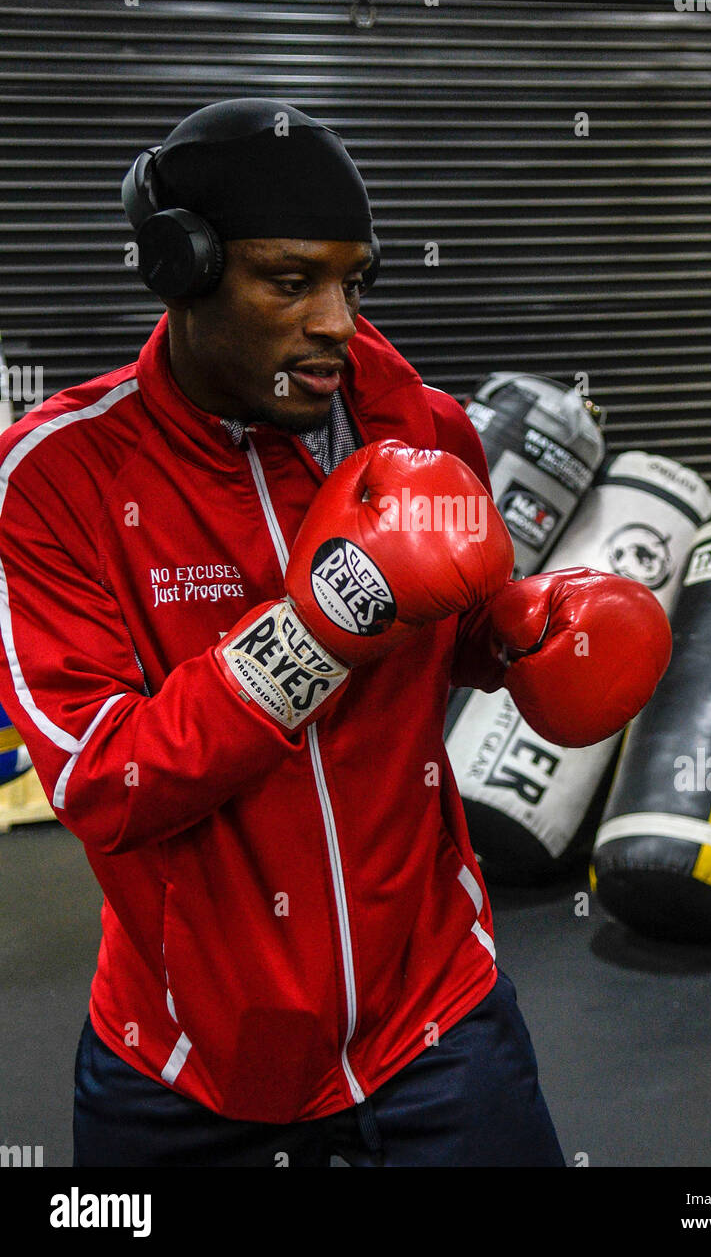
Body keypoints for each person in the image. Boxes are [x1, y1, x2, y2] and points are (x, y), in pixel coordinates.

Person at [0, 99, 671, 1167]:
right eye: (290, 279)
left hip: (435, 1021)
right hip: (187, 1063)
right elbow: (101, 778)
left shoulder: (419, 423)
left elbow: (446, 631)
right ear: (181, 271)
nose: (336, 321)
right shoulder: (62, 479)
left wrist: (527, 637)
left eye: (352, 281)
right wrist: (326, 619)